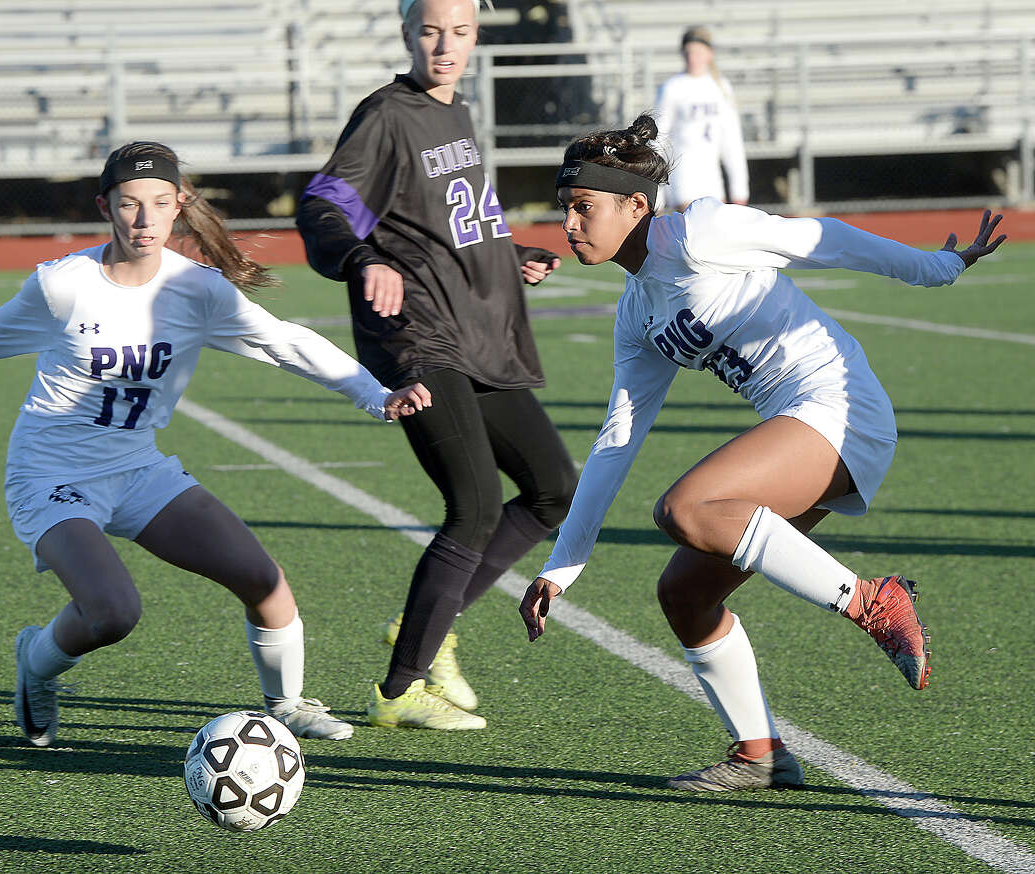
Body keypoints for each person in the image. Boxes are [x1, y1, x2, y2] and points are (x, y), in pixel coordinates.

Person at [0, 141, 432, 747]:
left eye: (159, 203)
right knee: (113, 613)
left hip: (138, 468)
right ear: (105, 206)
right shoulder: (65, 286)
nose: (144, 219)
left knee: (264, 582)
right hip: (51, 475)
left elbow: (282, 341)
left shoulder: (199, 291)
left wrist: (376, 394)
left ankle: (286, 706)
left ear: (178, 206)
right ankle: (36, 662)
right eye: (130, 204)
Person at [519, 116, 1005, 790]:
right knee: (685, 595)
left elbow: (822, 238)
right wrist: (562, 567)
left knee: (688, 508)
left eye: (582, 208)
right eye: (565, 210)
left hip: (840, 410)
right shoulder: (638, 313)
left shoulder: (698, 232)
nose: (568, 225)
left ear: (635, 205)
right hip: (803, 428)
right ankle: (761, 753)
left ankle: (872, 601)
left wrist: (937, 268)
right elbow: (618, 438)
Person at [296, 0, 577, 730]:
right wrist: (361, 257)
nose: (444, 45)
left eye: (458, 31)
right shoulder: (387, 114)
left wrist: (509, 257)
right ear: (406, 34)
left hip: (478, 333)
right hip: (418, 339)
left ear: (476, 36)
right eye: (429, 31)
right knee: (477, 504)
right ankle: (398, 692)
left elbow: (446, 224)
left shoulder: (456, 113)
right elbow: (323, 204)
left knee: (554, 490)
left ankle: (430, 623)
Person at [654, 25, 749, 214]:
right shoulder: (673, 87)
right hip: (684, 175)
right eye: (688, 53)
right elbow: (659, 139)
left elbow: (731, 141)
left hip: (712, 176)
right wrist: (658, 192)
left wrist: (740, 188)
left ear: (709, 54)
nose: (692, 58)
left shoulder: (720, 87)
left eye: (698, 52)